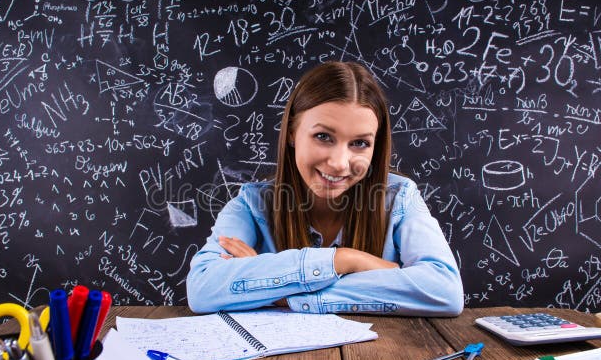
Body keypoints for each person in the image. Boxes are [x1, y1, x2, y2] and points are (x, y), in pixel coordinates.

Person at [187, 61, 463, 316]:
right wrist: (345, 260)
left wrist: (281, 292)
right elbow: (202, 289)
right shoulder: (253, 203)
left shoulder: (400, 197)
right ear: (293, 132)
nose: (339, 163)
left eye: (360, 143)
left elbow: (444, 292)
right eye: (323, 136)